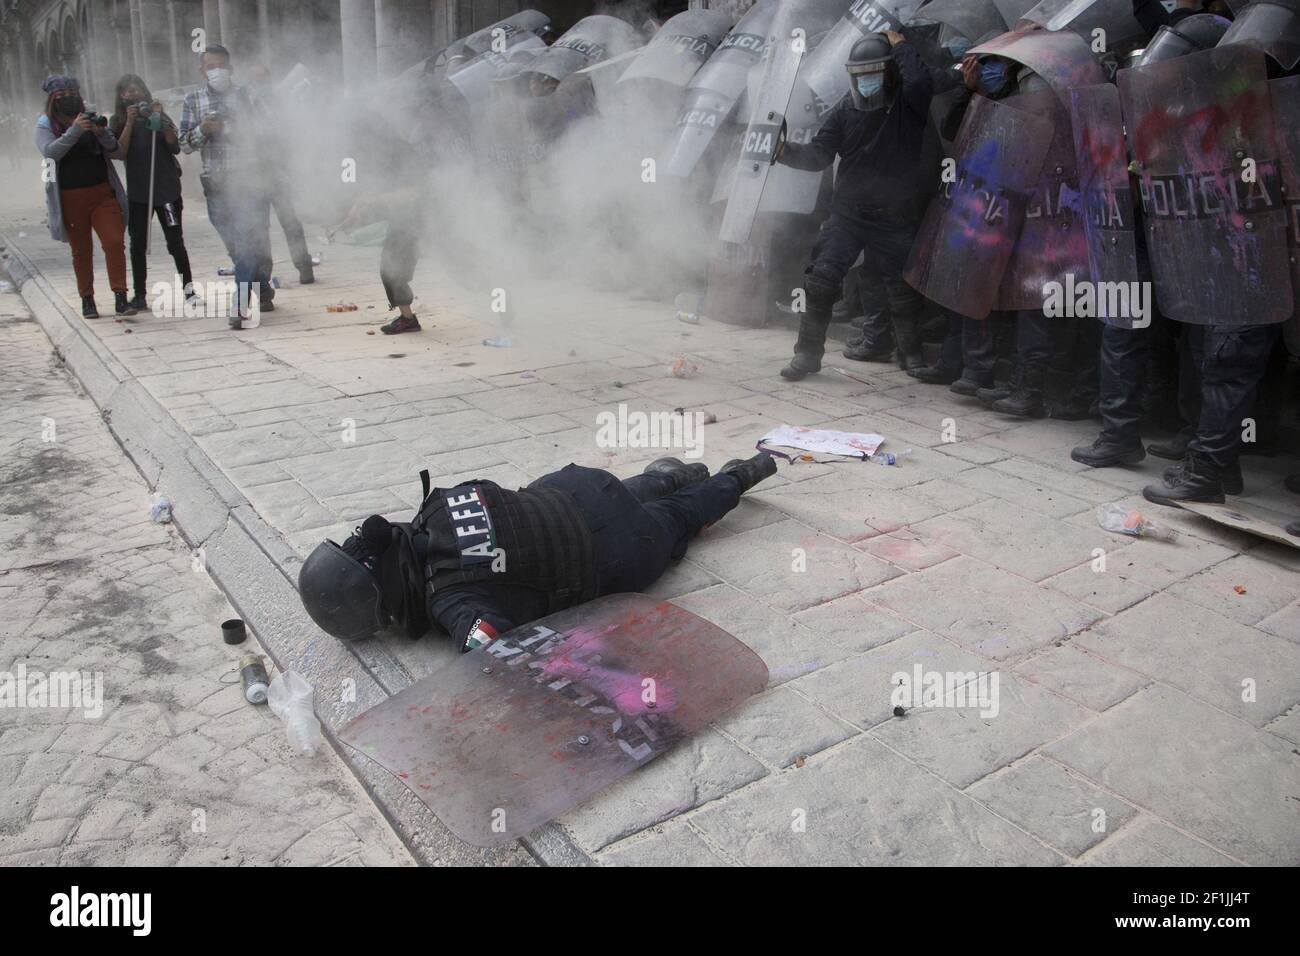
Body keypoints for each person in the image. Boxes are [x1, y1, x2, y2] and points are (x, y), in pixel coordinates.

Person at [298, 453, 778, 651]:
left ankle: (739, 475)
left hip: (620, 549)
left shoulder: (452, 602)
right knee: (632, 492)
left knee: (680, 518)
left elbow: (498, 649)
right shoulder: (436, 509)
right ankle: (671, 472)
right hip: (581, 485)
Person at [773, 30, 936, 380]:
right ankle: (807, 355)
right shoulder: (844, 110)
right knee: (821, 280)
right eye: (860, 75)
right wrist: (784, 152)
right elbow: (818, 154)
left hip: (893, 214)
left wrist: (901, 43)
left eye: (874, 73)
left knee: (902, 286)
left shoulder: (907, 105)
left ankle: (911, 354)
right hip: (848, 214)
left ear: (890, 72)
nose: (866, 82)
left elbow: (921, 79)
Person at [179, 44, 275, 327]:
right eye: (210, 67)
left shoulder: (247, 97)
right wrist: (202, 130)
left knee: (246, 240)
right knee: (236, 245)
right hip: (215, 182)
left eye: (221, 66)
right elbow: (183, 144)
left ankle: (240, 303)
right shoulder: (192, 100)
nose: (216, 72)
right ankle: (262, 285)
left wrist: (230, 128)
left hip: (248, 179)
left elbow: (266, 131)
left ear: (231, 69)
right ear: (202, 70)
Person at [34, 74, 136, 319]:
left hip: (102, 193)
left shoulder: (90, 118)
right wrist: (75, 131)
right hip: (70, 198)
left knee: (113, 242)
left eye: (73, 95)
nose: (69, 100)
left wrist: (101, 132)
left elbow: (117, 152)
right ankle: (87, 299)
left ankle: (121, 296)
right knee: (81, 250)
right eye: (63, 96)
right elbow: (50, 153)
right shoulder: (46, 124)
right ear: (53, 100)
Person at [110, 74, 196, 312]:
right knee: (138, 243)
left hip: (167, 192)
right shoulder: (117, 121)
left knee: (175, 242)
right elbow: (119, 152)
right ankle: (139, 295)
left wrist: (160, 119)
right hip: (139, 195)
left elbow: (174, 146)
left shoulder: (157, 116)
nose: (133, 94)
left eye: (136, 89)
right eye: (127, 91)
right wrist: (129, 123)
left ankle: (189, 291)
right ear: (120, 97)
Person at [245, 63, 315, 285]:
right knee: (260, 227)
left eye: (262, 78)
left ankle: (304, 265)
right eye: (255, 79)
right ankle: (264, 273)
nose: (259, 83)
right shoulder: (245, 105)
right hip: (254, 173)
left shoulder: (278, 102)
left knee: (290, 221)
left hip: (277, 171)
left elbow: (290, 131)